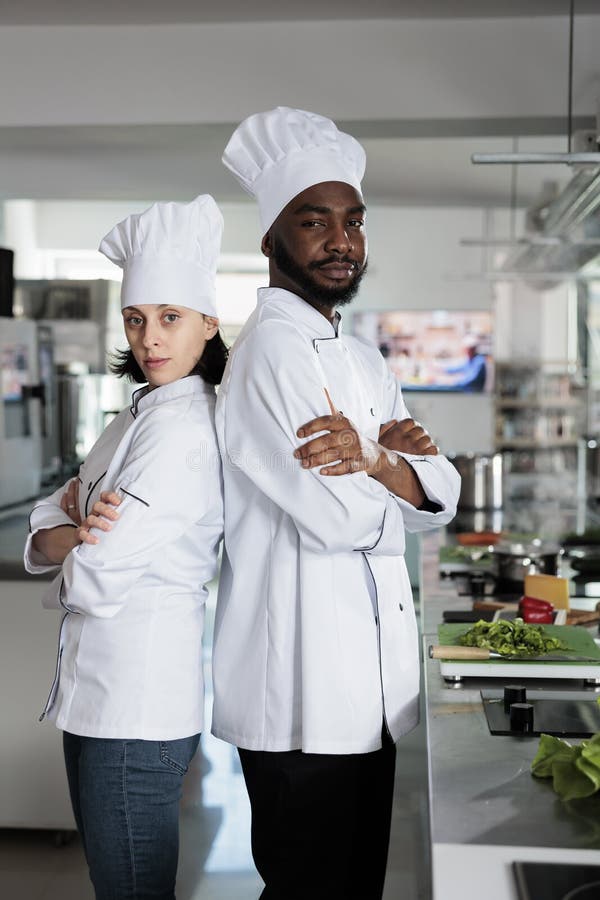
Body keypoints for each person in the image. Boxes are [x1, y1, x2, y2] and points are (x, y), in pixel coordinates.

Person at [212, 107, 461, 900]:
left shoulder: (358, 355)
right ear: (271, 240)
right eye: (313, 221)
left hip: (367, 690)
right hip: (300, 690)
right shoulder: (269, 355)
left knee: (354, 886)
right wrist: (394, 474)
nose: (340, 240)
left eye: (353, 221)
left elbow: (438, 496)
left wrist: (381, 463)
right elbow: (341, 520)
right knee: (309, 886)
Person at [23, 195, 226, 900]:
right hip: (92, 696)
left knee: (132, 889)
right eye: (137, 320)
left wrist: (71, 545)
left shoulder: (184, 430)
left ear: (209, 322)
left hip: (135, 705)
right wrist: (73, 534)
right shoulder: (135, 414)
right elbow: (58, 512)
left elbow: (96, 573)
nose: (151, 338)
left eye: (170, 318)